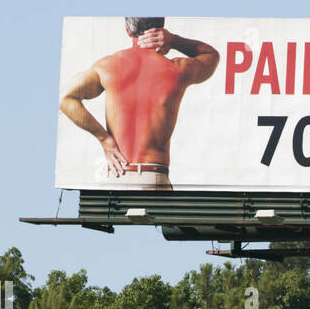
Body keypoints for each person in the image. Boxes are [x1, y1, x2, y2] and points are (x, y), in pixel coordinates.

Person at [59, 17, 219, 187]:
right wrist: (173, 40)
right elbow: (211, 55)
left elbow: (66, 99)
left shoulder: (107, 66)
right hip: (154, 176)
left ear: (128, 31)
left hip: (119, 176)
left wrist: (105, 140)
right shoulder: (177, 69)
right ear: (161, 28)